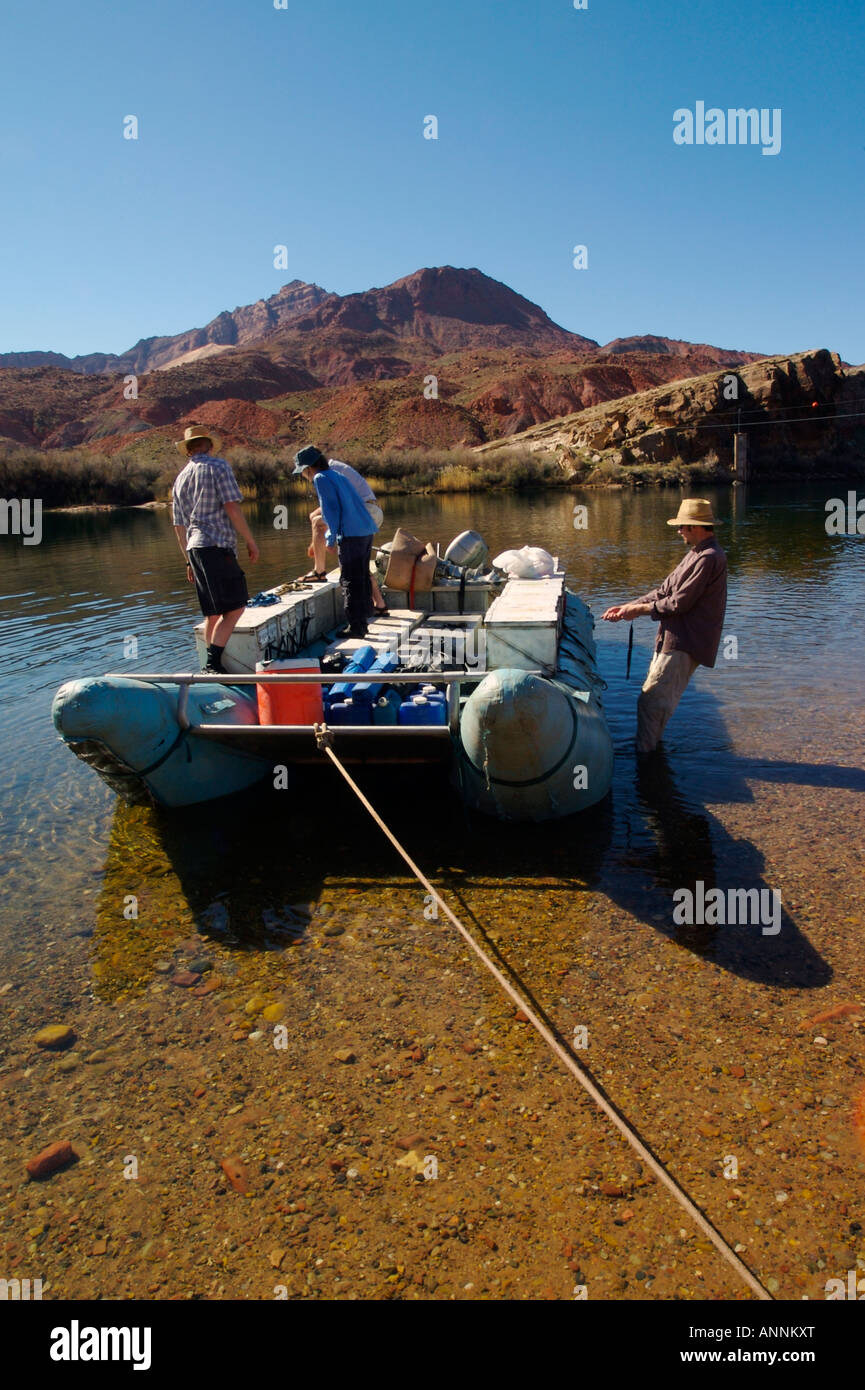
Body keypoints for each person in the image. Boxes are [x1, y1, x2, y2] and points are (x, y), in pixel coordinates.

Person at [601, 498, 727, 753]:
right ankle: (650, 752)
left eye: (682, 526)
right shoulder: (696, 553)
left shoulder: (709, 558)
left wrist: (637, 610)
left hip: (684, 641)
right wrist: (629, 606)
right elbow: (663, 592)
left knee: (652, 702)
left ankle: (646, 761)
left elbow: (678, 603)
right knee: (653, 702)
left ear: (696, 527)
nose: (679, 531)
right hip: (674, 638)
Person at [172, 425, 259, 674]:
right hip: (216, 545)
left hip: (195, 550)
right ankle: (212, 664)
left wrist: (188, 561)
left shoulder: (179, 479)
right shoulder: (218, 467)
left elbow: (178, 526)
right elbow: (231, 506)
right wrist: (250, 541)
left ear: (188, 450)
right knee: (236, 607)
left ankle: (208, 664)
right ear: (209, 446)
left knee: (212, 612)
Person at [292, 446, 377, 639]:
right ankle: (364, 621)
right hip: (365, 531)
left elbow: (331, 511)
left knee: (348, 580)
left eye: (302, 472)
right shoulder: (337, 475)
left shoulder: (321, 478)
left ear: (308, 468)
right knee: (361, 577)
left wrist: (331, 538)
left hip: (351, 534)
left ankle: (356, 627)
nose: (303, 476)